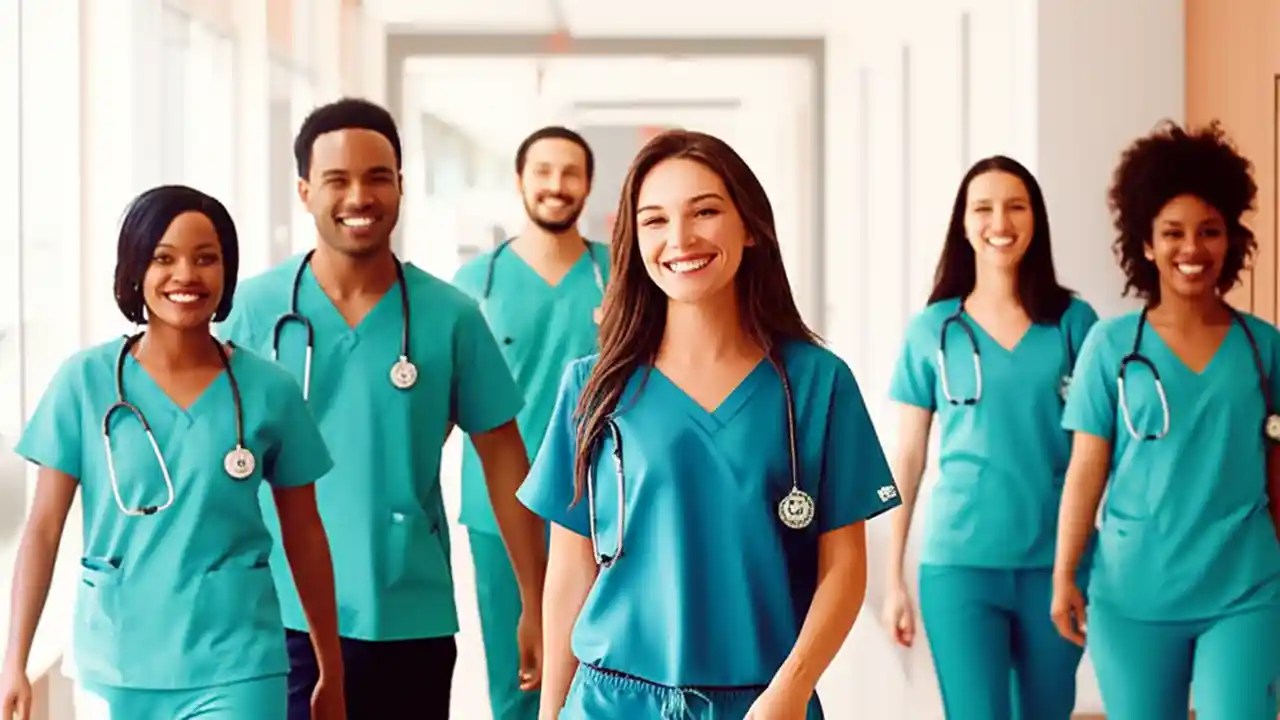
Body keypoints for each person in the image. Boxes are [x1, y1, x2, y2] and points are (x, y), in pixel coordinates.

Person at [517, 129, 901, 719]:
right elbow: (570, 570)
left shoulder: (817, 384)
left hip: (763, 703)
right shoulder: (593, 387)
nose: (680, 239)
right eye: (654, 220)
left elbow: (845, 568)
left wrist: (791, 690)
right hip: (610, 701)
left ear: (750, 228)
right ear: (631, 240)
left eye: (705, 211)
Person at [218, 98, 546, 719]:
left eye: (377, 178)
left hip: (406, 612)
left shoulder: (450, 317)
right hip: (275, 614)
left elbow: (505, 461)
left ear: (401, 185)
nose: (359, 197)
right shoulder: (252, 315)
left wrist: (535, 597)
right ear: (305, 190)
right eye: (337, 180)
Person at [0, 185, 344, 720]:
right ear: (135, 269)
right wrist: (14, 661)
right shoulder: (85, 383)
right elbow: (44, 527)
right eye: (164, 258)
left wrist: (330, 667)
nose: (186, 275)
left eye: (206, 258)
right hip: (116, 664)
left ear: (227, 271)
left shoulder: (268, 390)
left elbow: (305, 533)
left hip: (237, 662)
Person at [1052, 121, 1280, 720]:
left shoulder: (1264, 348)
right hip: (1133, 597)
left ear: (1231, 240)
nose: (1193, 249)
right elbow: (1086, 469)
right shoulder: (1110, 346)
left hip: (1245, 590)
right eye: (1173, 233)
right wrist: (1064, 572)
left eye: (1210, 232)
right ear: (1146, 244)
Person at [884, 156, 1098, 720]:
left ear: (1036, 219)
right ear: (963, 222)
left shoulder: (1075, 324)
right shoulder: (933, 330)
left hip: (1057, 565)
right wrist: (891, 580)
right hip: (960, 567)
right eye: (983, 207)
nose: (999, 221)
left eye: (1015, 206)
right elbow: (907, 459)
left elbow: (1099, 454)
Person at [451, 125, 608, 720]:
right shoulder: (475, 288)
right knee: (521, 675)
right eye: (543, 171)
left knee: (601, 665)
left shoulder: (618, 276)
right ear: (519, 180)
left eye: (570, 172)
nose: (556, 185)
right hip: (499, 510)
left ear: (588, 185)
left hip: (599, 501)